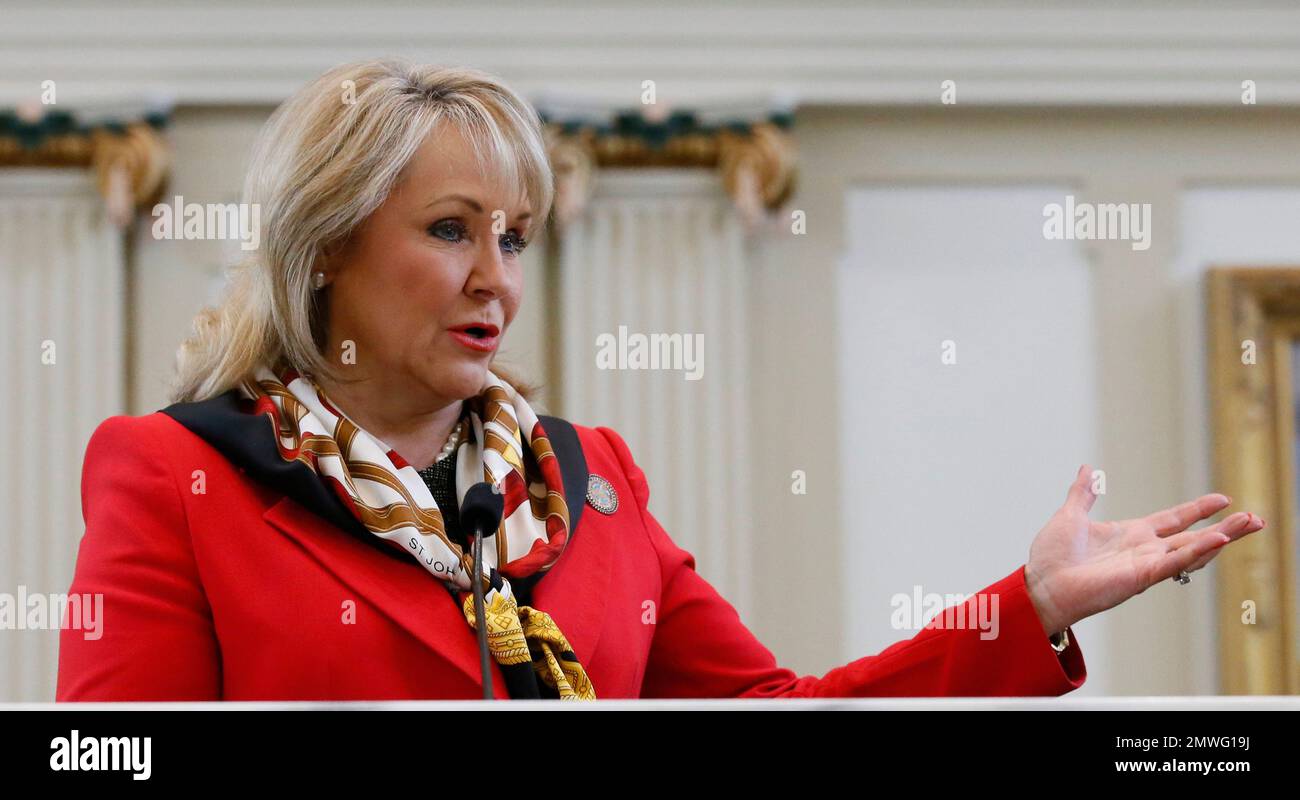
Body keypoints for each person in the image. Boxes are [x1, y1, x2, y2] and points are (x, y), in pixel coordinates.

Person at [56, 60, 1264, 701]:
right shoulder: (177, 473)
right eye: (449, 230)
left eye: (516, 236)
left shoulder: (589, 485)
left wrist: (1026, 604)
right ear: (325, 250)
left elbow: (767, 715)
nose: (496, 278)